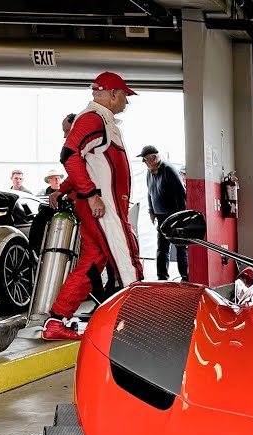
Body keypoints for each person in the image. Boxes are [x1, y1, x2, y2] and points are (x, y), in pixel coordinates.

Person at [42, 71, 144, 341]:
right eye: (124, 96)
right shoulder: (93, 119)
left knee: (91, 264)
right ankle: (143, 323)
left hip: (100, 207)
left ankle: (57, 320)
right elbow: (69, 155)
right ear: (111, 93)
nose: (126, 101)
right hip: (104, 209)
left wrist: (66, 189)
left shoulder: (101, 120)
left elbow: (83, 162)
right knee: (127, 259)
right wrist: (91, 194)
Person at [138, 145, 189, 282]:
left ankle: (185, 277)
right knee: (162, 248)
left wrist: (181, 218)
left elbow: (181, 195)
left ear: (154, 158)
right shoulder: (149, 172)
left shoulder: (169, 170)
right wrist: (151, 211)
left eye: (145, 159)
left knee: (180, 246)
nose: (144, 162)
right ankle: (162, 278)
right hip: (161, 216)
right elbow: (150, 193)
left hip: (174, 215)